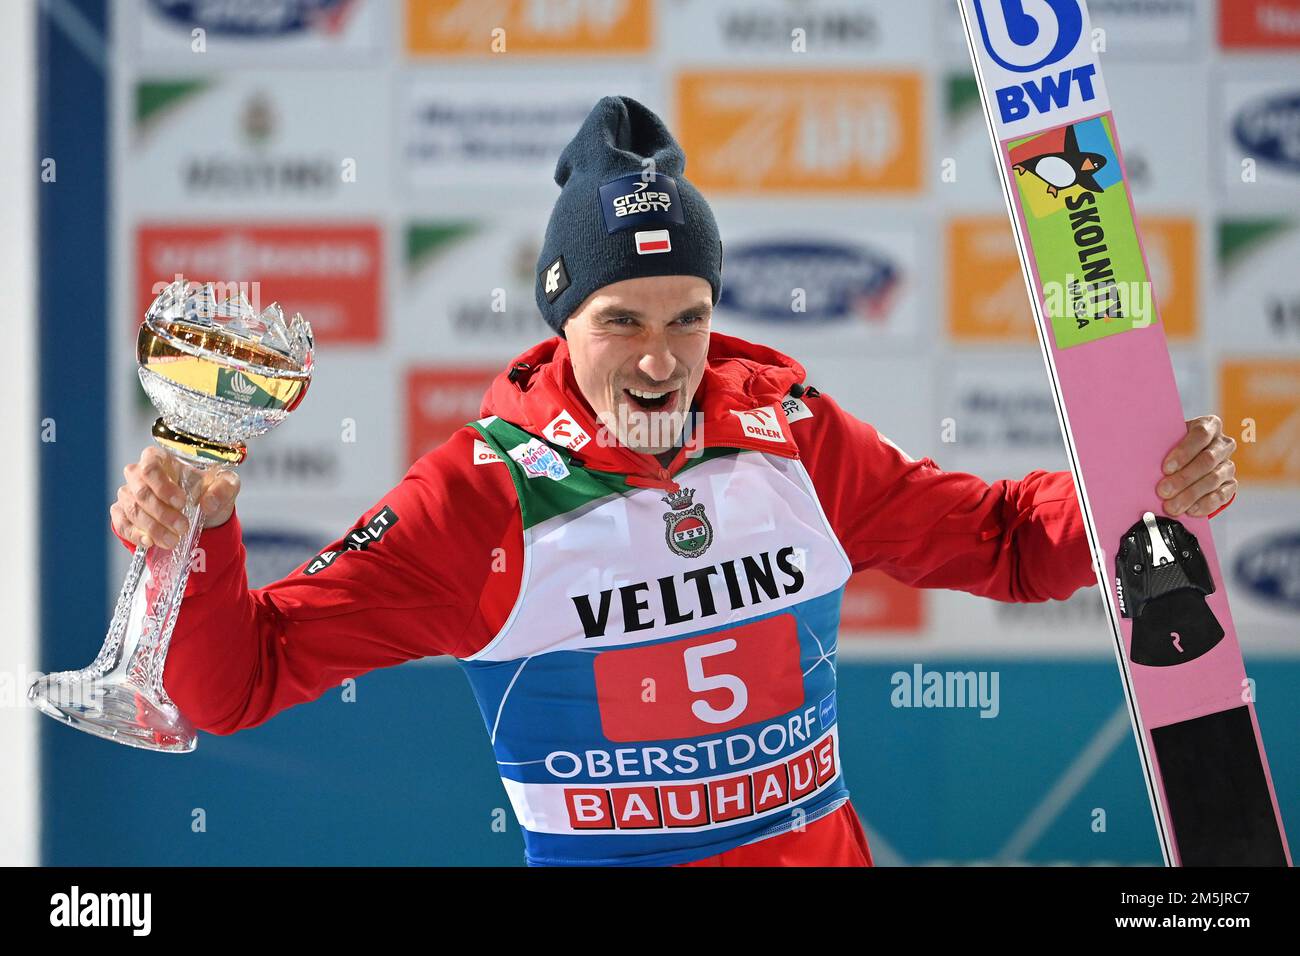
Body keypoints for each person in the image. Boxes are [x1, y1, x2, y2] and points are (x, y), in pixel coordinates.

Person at [110, 96, 1239, 867]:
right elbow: (233, 684)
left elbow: (1006, 543)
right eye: (622, 322)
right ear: (562, 321)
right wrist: (199, 534)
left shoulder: (791, 435)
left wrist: (1136, 486)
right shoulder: (476, 502)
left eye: (688, 317)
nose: (660, 357)